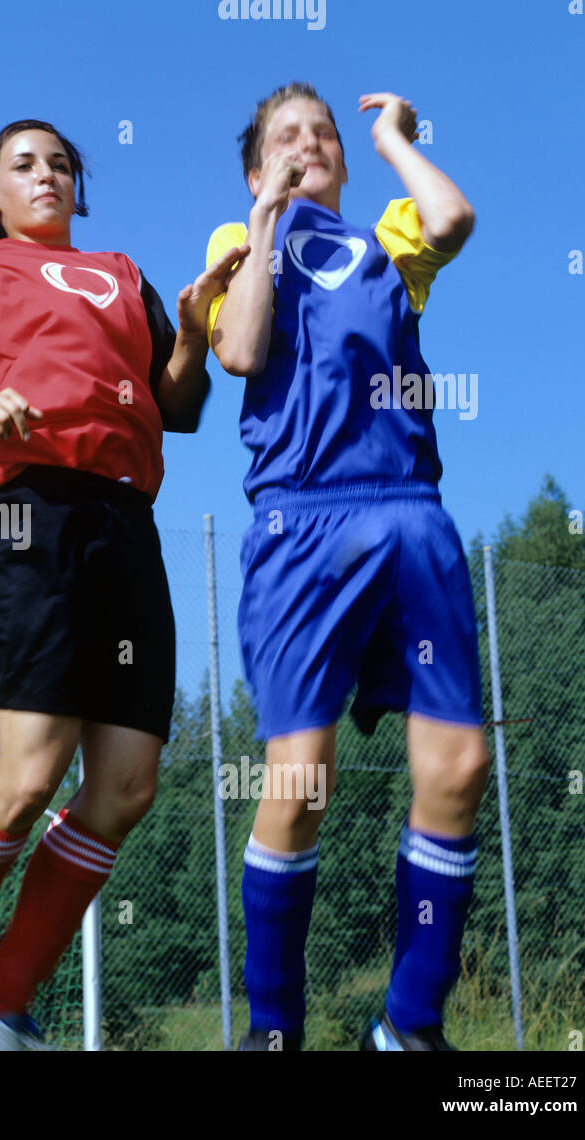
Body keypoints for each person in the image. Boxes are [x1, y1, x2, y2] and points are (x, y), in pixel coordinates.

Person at [0, 119, 241, 1050]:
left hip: (125, 521)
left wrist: (194, 335)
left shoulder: (125, 275)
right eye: (23, 165)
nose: (47, 174)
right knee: (32, 769)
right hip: (26, 513)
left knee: (124, 787)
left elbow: (179, 408)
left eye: (61, 163)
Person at [204, 83, 489, 1051]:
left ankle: (408, 1029)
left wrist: (391, 136)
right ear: (254, 168)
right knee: (300, 781)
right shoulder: (236, 244)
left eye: (322, 134)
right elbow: (240, 350)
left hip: (410, 511)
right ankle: (272, 1030)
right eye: (286, 137)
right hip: (301, 521)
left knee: (460, 765)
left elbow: (453, 215)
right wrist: (261, 218)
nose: (308, 144)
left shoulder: (389, 240)